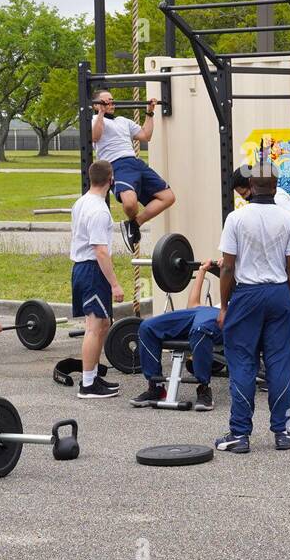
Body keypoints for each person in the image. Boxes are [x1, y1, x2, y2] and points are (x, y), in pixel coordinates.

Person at [214, 160, 290, 453]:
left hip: (247, 295)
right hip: (279, 294)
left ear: (250, 187)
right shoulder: (288, 220)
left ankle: (239, 434)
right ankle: (284, 432)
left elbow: (227, 269)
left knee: (242, 362)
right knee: (279, 364)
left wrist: (225, 306)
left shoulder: (236, 219)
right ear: (276, 188)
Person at [231, 165, 290, 383]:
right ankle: (279, 367)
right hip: (282, 259)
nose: (245, 198)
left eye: (244, 193)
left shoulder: (280, 197)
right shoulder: (250, 210)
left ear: (251, 185)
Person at [132, 257, 221, 411]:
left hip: (222, 315)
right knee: (146, 327)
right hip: (199, 312)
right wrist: (202, 270)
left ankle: (204, 388)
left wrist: (228, 268)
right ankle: (156, 387)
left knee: (200, 330)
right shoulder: (201, 308)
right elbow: (192, 304)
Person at [90, 90, 175, 251]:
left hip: (135, 162)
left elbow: (145, 135)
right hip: (117, 165)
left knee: (168, 197)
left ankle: (134, 224)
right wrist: (100, 113)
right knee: (130, 204)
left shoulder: (123, 121)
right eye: (106, 101)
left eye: (112, 101)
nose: (111, 104)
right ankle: (133, 222)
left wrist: (149, 114)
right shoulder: (94, 120)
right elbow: (95, 136)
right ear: (96, 105)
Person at [70, 159, 124, 398]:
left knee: (103, 324)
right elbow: (100, 250)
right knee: (93, 327)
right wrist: (114, 284)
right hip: (92, 270)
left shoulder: (81, 202)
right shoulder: (100, 211)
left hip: (83, 268)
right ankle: (87, 385)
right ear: (111, 180)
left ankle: (92, 376)